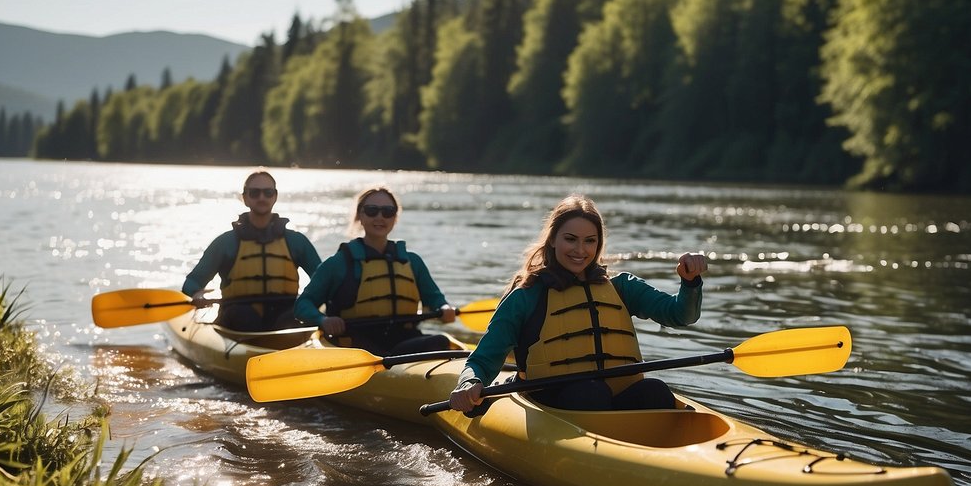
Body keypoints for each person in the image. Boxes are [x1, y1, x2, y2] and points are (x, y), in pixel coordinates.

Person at [448, 194, 707, 413]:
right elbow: (482, 360)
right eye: (570, 239)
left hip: (615, 402)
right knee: (589, 393)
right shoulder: (526, 296)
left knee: (656, 391)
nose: (580, 250)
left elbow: (680, 315)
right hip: (555, 403)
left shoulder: (622, 287)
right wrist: (468, 383)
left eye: (589, 241)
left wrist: (690, 282)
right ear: (552, 240)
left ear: (599, 243)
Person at [294, 187, 457, 355]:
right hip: (355, 344)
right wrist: (323, 320)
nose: (380, 217)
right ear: (360, 216)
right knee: (438, 342)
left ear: (395, 217)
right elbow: (302, 305)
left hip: (404, 340)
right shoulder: (338, 263)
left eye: (388, 211)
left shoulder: (412, 262)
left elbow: (435, 298)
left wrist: (444, 308)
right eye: (372, 210)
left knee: (441, 341)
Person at [182, 169, 322, 331]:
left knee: (290, 318)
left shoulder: (296, 241)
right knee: (244, 316)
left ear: (275, 197)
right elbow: (192, 282)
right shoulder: (225, 243)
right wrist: (197, 294)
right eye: (255, 193)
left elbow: (324, 281)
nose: (262, 198)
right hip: (237, 322)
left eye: (268, 192)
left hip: (284, 321)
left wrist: (311, 304)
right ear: (245, 198)